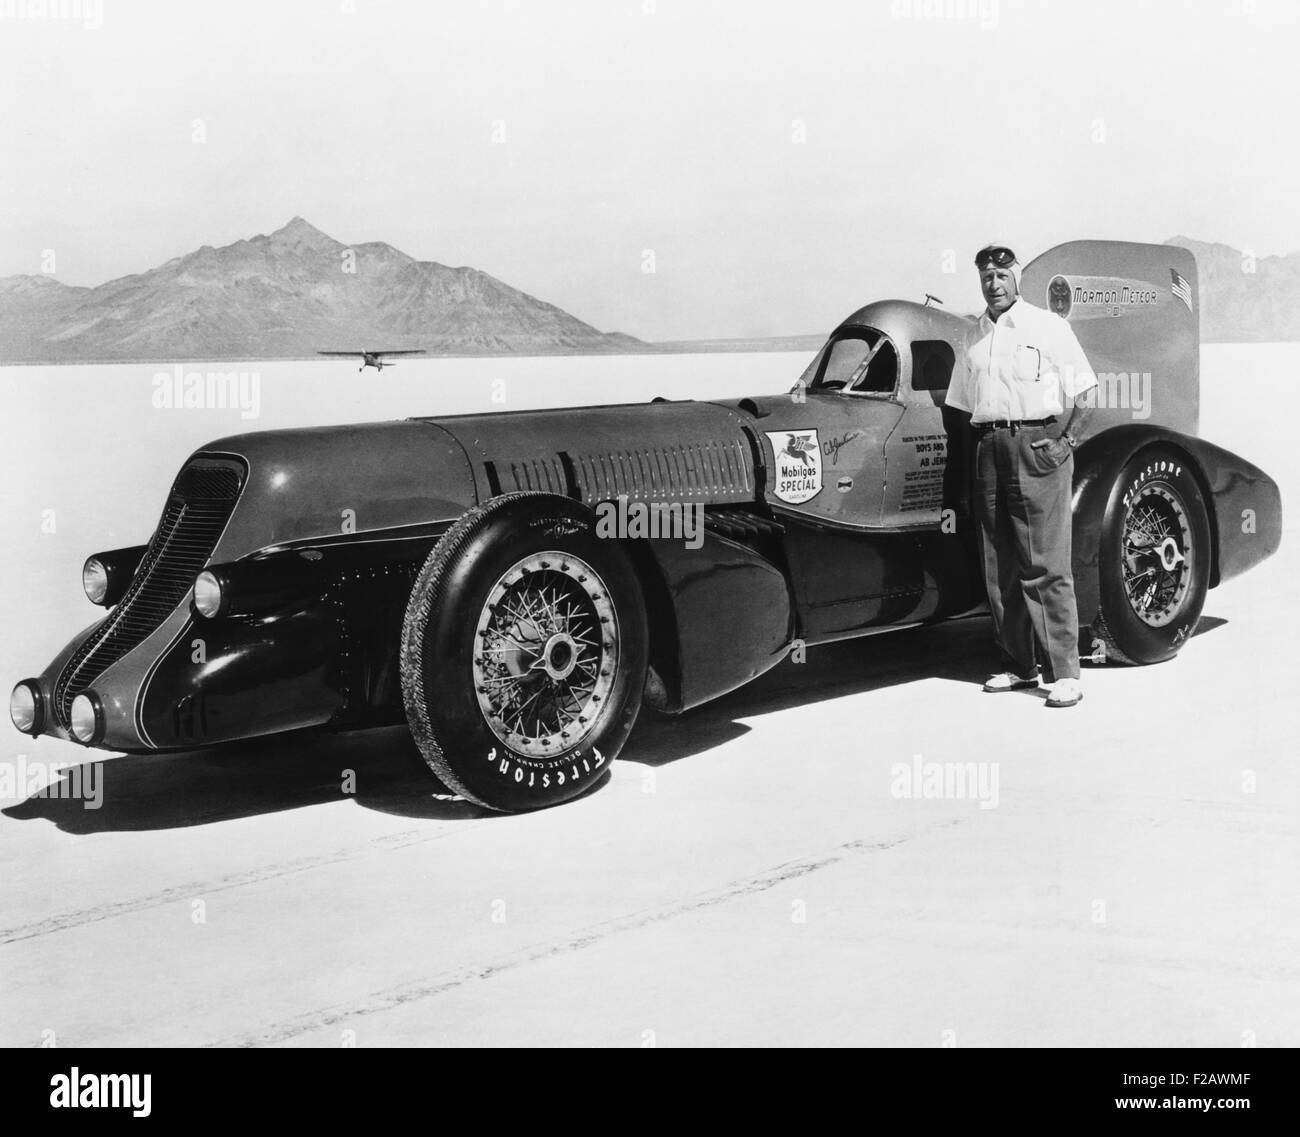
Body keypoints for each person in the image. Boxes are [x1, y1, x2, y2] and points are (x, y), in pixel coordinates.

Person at [945, 244, 1097, 708]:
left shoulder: (1048, 327)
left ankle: (1065, 672)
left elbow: (1086, 394)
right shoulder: (972, 336)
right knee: (999, 565)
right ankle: (1019, 666)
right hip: (989, 448)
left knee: (1046, 563)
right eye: (986, 277)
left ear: (1016, 277)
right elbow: (960, 407)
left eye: (1001, 274)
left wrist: (1065, 443)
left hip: (1038, 446)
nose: (994, 284)